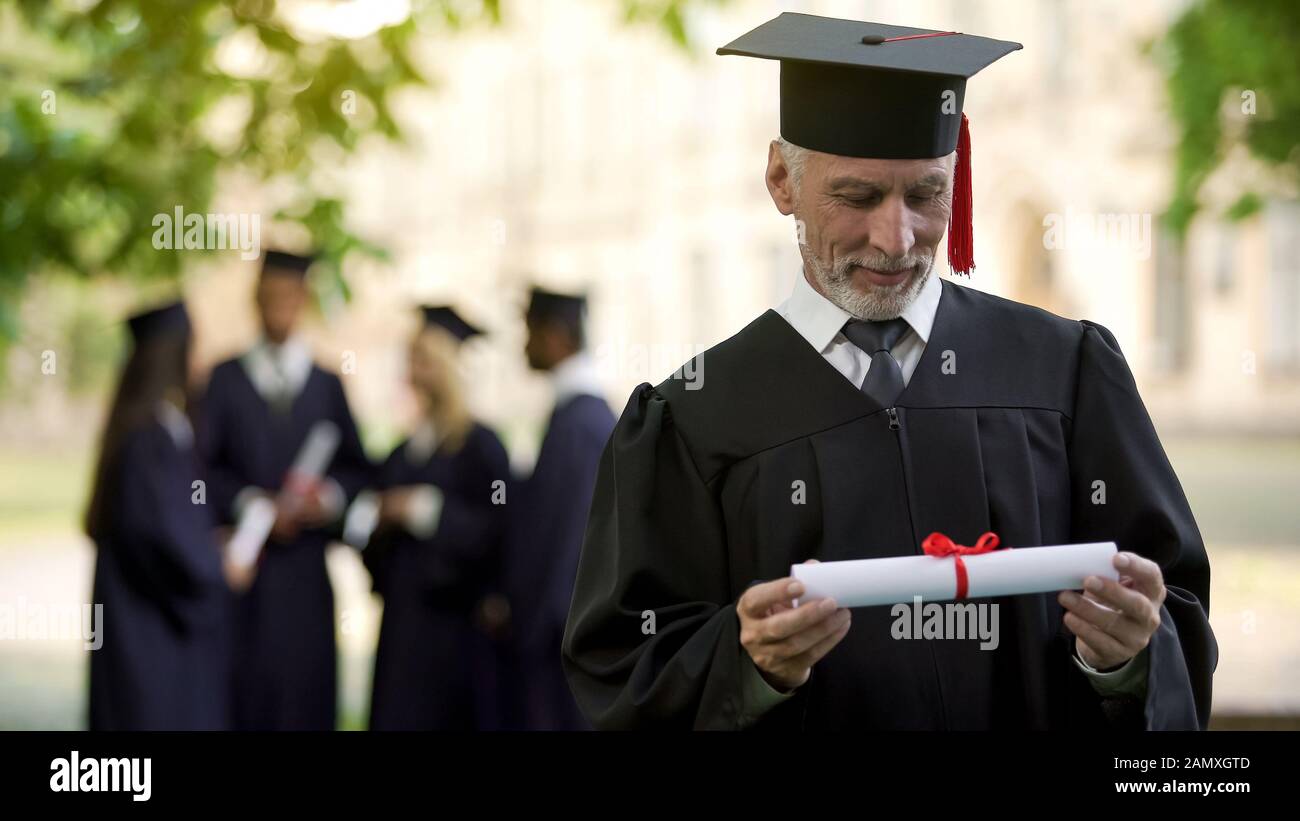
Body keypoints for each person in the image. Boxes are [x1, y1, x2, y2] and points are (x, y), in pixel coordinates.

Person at [562, 14, 1217, 730]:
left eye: (925, 194)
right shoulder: (694, 416)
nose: (896, 238)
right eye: (859, 196)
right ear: (782, 179)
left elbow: (1175, 608)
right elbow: (624, 664)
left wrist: (1127, 656)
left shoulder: (1065, 371)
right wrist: (747, 665)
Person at [198, 250, 370, 730]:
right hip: (247, 571)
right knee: (245, 696)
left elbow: (360, 471)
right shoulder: (224, 380)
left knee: (305, 696)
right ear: (255, 299)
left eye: (290, 296)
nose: (280, 305)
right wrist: (252, 503)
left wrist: (329, 499)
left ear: (304, 300)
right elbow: (201, 474)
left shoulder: (327, 385)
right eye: (270, 295)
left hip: (306, 577)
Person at [346, 306, 511, 730]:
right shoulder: (405, 450)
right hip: (403, 624)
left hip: (455, 630)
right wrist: (378, 518)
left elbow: (500, 532)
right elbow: (368, 536)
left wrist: (425, 510)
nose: (412, 369)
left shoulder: (481, 447)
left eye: (421, 358)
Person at [86, 302, 235, 730]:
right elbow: (167, 545)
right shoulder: (152, 441)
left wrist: (207, 547)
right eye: (193, 350)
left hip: (139, 634)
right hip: (153, 644)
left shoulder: (142, 432)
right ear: (172, 358)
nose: (200, 363)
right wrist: (219, 566)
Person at [502, 287, 616, 730]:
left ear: (554, 336)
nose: (523, 345)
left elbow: (568, 543)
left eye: (528, 332)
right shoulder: (577, 416)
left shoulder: (580, 424)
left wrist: (532, 623)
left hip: (563, 641)